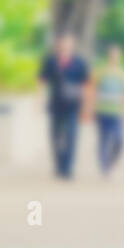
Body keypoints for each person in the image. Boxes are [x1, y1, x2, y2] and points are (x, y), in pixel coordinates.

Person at [38, 32, 89, 179]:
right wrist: (39, 101)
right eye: (63, 43)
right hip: (55, 105)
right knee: (55, 136)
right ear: (59, 45)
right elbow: (41, 81)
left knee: (72, 136)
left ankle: (68, 168)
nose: (66, 46)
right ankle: (58, 165)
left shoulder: (79, 63)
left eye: (69, 44)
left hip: (73, 105)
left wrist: (86, 106)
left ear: (73, 46)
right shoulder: (50, 61)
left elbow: (86, 85)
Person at [93, 43, 124, 177]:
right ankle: (104, 167)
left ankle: (111, 161)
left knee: (120, 140)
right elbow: (93, 90)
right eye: (112, 56)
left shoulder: (123, 74)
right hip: (103, 110)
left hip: (117, 112)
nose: (114, 58)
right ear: (108, 57)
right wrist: (91, 107)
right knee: (103, 140)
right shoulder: (101, 72)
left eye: (116, 56)